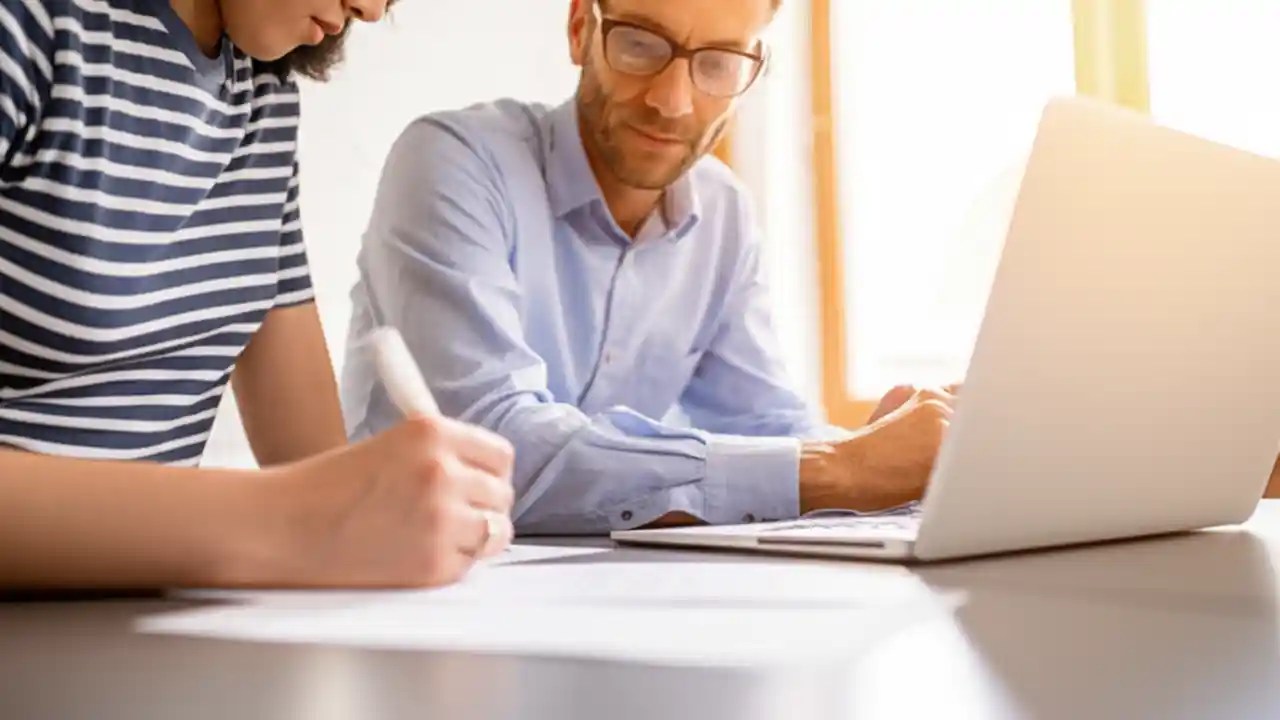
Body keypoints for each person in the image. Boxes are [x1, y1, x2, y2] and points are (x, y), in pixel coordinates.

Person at [341, 0, 956, 536]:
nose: (672, 101)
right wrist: (845, 468)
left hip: (606, 587)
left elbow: (766, 423)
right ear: (581, 28)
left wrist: (897, 457)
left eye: (718, 62)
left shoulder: (722, 213)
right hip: (415, 582)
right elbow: (489, 448)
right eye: (639, 44)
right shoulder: (458, 163)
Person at [0, 0, 515, 589]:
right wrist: (295, 519)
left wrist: (404, 511)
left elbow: (315, 463)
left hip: (133, 622)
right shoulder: (29, 27)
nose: (372, 11)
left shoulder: (262, 98)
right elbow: (313, 506)